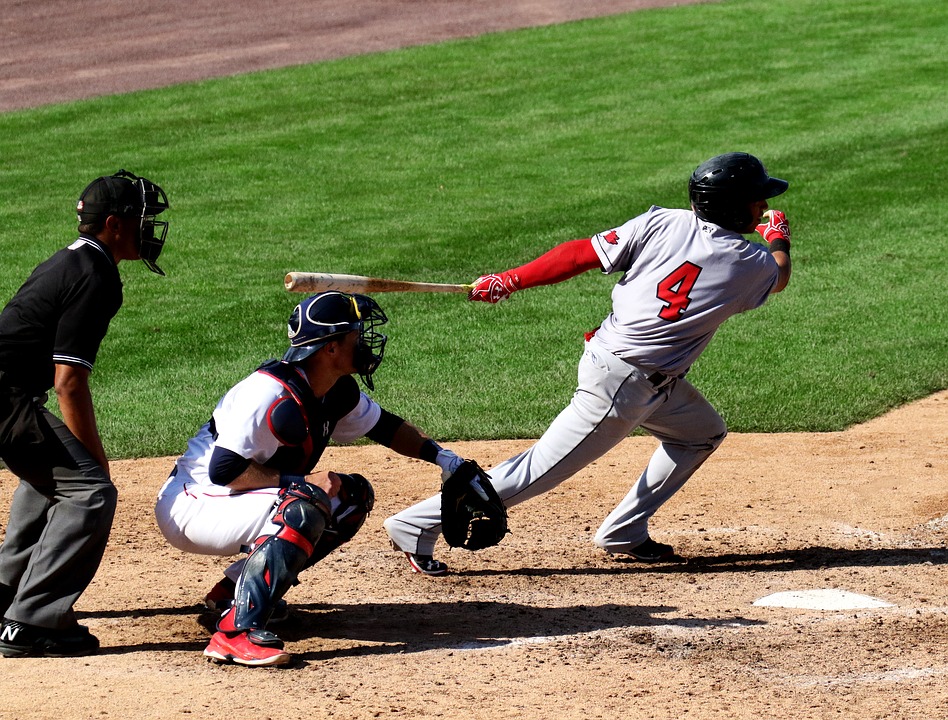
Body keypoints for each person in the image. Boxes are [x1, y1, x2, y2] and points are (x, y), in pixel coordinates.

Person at [384, 151, 793, 573]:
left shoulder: (661, 222)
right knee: (539, 470)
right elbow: (780, 275)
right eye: (756, 199)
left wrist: (511, 279)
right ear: (730, 205)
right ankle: (415, 524)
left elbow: (579, 254)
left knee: (700, 433)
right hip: (624, 384)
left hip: (632, 370)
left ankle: (625, 531)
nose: (763, 206)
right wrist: (778, 236)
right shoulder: (748, 263)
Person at [154, 291, 479, 667]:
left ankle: (234, 593)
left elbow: (386, 427)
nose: (366, 344)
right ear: (330, 348)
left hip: (229, 498)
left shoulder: (332, 390)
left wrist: (446, 460)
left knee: (352, 496)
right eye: (356, 337)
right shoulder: (269, 394)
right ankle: (235, 633)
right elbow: (224, 471)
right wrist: (299, 480)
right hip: (194, 503)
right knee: (306, 501)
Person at [0, 170, 171, 657]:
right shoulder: (96, 277)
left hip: (7, 395)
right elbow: (68, 381)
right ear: (114, 225)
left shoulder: (69, 261)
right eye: (142, 219)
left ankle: (7, 592)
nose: (149, 229)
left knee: (50, 478)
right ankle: (34, 622)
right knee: (90, 491)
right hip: (5, 397)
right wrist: (96, 460)